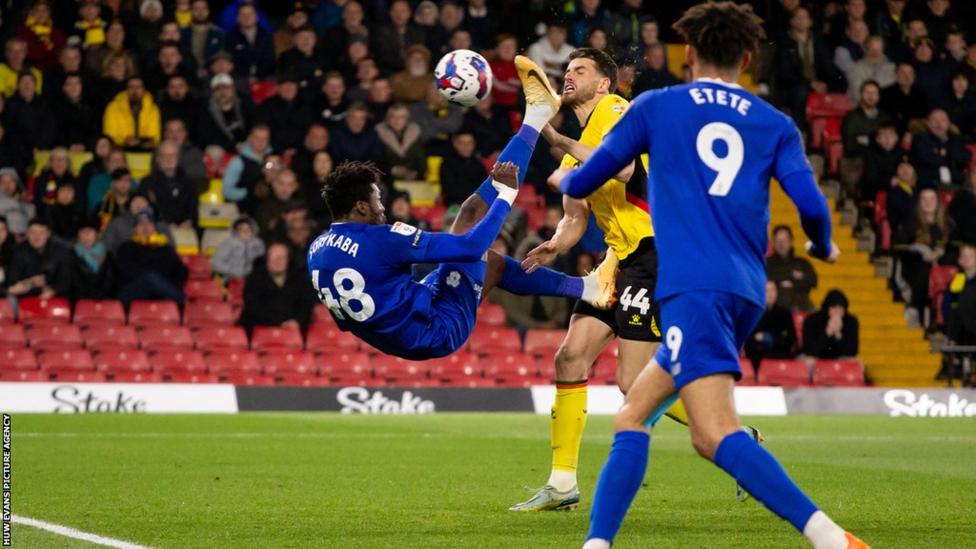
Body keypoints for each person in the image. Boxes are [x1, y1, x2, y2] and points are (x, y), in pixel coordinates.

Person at [555, 4, 866, 548]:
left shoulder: (658, 106)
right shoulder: (775, 122)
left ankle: (831, 538)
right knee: (632, 414)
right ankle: (597, 543)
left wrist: (566, 171)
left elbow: (596, 176)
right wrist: (823, 245)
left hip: (691, 284)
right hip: (745, 287)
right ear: (746, 59)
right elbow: (813, 209)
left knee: (712, 433)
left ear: (690, 55)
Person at [307, 57, 614, 361]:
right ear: (360, 207)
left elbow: (344, 320)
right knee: (473, 229)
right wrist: (506, 194)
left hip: (405, 329)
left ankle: (588, 289)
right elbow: (470, 246)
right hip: (438, 328)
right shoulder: (380, 240)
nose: (383, 209)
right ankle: (536, 117)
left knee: (488, 260)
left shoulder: (316, 251)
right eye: (376, 201)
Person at [510, 48, 689, 513]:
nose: (569, 76)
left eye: (580, 71)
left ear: (604, 83)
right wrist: (555, 242)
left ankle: (726, 429)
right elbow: (574, 217)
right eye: (566, 71)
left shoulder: (615, 110)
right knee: (569, 358)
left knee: (632, 382)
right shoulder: (576, 151)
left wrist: (557, 140)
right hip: (618, 259)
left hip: (654, 251)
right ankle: (563, 483)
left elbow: (624, 167)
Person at [894, 188, 953, 327]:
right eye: (924, 199)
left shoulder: (948, 224)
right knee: (924, 269)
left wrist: (939, 254)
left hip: (941, 265)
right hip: (915, 265)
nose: (928, 202)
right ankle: (915, 308)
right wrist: (922, 254)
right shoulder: (911, 222)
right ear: (919, 202)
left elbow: (954, 248)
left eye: (931, 199)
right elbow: (900, 248)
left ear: (938, 202)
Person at [115, 208, 187, 307]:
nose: (145, 227)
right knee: (150, 278)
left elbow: (181, 271)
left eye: (149, 223)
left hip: (160, 291)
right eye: (141, 224)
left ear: (154, 227)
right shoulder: (126, 247)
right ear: (135, 228)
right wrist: (153, 276)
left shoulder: (165, 248)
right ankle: (182, 300)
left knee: (154, 280)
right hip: (133, 291)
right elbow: (125, 270)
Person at [239, 241, 314, 334]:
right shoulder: (254, 279)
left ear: (288, 260)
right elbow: (253, 307)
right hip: (258, 330)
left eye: (282, 257)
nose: (278, 260)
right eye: (274, 256)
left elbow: (306, 305)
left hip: (292, 331)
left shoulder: (300, 280)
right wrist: (280, 323)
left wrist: (296, 321)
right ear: (267, 259)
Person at [839, 80, 893, 201]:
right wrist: (875, 140)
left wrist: (867, 139)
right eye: (867, 92)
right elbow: (850, 144)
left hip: (881, 158)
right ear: (861, 94)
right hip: (856, 159)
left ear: (879, 96)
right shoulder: (851, 117)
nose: (870, 96)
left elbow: (890, 141)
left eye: (874, 93)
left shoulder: (885, 117)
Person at [6, 218, 73, 299]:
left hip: (56, 297)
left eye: (41, 232)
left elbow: (66, 279)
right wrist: (31, 282)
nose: (37, 236)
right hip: (26, 298)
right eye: (33, 232)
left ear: (48, 234)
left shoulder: (60, 251)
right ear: (27, 234)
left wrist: (53, 291)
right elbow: (13, 282)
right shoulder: (18, 251)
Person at [140, 140, 198, 227]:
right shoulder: (147, 183)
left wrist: (189, 221)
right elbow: (145, 212)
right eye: (164, 155)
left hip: (184, 232)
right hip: (157, 230)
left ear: (179, 158)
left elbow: (193, 211)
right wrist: (165, 224)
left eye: (173, 155)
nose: (169, 159)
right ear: (158, 159)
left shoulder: (189, 183)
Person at [909, 108, 972, 188]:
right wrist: (950, 159)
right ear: (928, 123)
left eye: (942, 120)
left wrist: (943, 154)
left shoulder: (955, 139)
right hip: (929, 184)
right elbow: (926, 159)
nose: (939, 123)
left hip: (956, 183)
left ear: (948, 123)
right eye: (934, 120)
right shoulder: (920, 139)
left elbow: (965, 157)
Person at [745, 281, 798, 371]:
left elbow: (791, 339)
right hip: (758, 357)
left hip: (781, 355)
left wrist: (768, 337)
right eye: (767, 290)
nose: (770, 294)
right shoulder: (752, 313)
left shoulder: (785, 314)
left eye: (773, 290)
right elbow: (749, 342)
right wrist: (779, 337)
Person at [767, 225, 819, 311]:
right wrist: (792, 279)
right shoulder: (766, 264)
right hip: (774, 311)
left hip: (801, 308)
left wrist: (792, 283)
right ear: (773, 242)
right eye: (778, 241)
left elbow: (813, 280)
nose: (781, 244)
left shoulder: (802, 263)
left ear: (791, 241)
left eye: (784, 240)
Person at [102, 76, 161, 151]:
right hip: (119, 150)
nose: (134, 91)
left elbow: (155, 136)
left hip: (146, 151)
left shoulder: (153, 109)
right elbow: (109, 135)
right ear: (126, 90)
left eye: (138, 87)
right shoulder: (113, 108)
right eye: (131, 87)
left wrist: (141, 142)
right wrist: (124, 141)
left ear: (144, 90)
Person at [802, 289, 860, 359]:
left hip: (840, 357)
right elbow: (809, 350)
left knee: (855, 362)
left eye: (840, 308)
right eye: (833, 307)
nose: (837, 311)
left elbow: (852, 351)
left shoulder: (851, 321)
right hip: (816, 357)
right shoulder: (812, 320)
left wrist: (838, 335)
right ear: (827, 308)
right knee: (808, 360)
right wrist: (827, 333)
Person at [375, 103, 425, 181]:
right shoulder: (379, 135)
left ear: (407, 120)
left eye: (401, 117)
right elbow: (376, 161)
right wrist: (393, 170)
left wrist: (414, 172)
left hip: (413, 180)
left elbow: (421, 161)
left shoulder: (415, 134)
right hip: (387, 179)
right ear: (388, 119)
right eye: (393, 117)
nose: (397, 120)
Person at [439, 132, 486, 207]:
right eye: (462, 143)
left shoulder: (478, 164)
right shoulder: (447, 164)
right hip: (455, 205)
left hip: (477, 205)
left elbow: (485, 188)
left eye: (469, 143)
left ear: (474, 145)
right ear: (455, 144)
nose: (466, 146)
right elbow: (449, 190)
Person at [212, 215, 265, 280]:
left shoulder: (258, 245)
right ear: (236, 231)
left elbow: (263, 263)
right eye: (242, 229)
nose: (246, 232)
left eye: (248, 229)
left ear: (253, 230)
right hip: (231, 279)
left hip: (253, 280)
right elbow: (216, 263)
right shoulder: (229, 244)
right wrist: (232, 270)